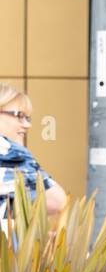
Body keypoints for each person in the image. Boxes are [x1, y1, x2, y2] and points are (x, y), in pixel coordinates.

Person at [0, 82, 67, 222]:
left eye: (27, 117)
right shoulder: (8, 151)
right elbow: (57, 201)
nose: (27, 124)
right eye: (19, 115)